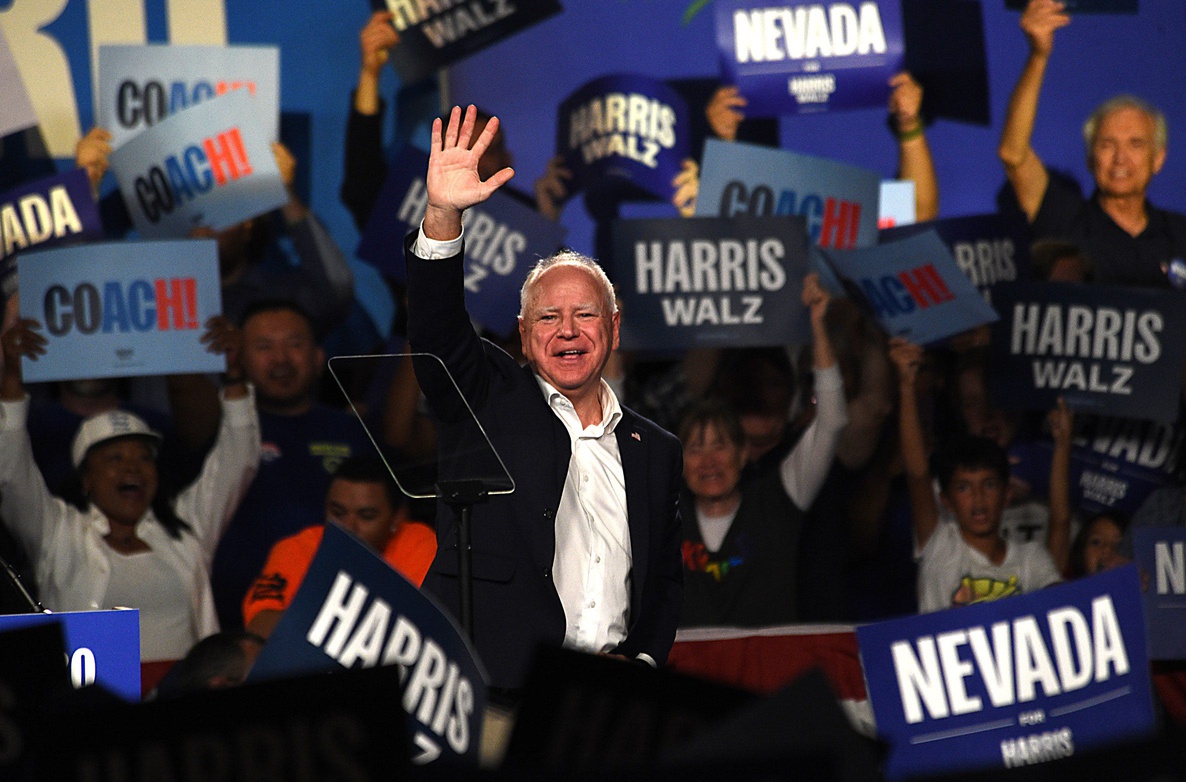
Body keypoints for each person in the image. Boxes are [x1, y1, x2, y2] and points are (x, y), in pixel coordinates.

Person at [405, 106, 683, 692]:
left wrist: (642, 666)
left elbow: (662, 585)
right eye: (548, 318)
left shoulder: (656, 450)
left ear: (612, 325)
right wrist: (442, 214)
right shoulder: (485, 399)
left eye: (584, 315)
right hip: (495, 696)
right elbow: (436, 330)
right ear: (525, 336)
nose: (567, 331)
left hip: (605, 712)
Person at [0, 317, 260, 661]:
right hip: (96, 708)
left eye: (143, 456)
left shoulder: (188, 528)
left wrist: (235, 376)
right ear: (86, 479)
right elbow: (10, 470)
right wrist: (14, 380)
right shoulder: (58, 532)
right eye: (114, 457)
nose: (131, 467)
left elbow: (237, 458)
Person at [677, 273, 846, 627]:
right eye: (695, 448)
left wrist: (816, 323)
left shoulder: (779, 499)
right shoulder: (664, 517)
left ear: (742, 454)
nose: (708, 462)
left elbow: (831, 421)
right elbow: (609, 436)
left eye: (720, 446)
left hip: (770, 676)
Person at [209, 300, 372, 631]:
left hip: (342, 616)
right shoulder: (220, 430)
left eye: (294, 344)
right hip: (239, 625)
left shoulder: (355, 433)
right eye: (264, 347)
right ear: (238, 358)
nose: (281, 358)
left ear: (318, 358)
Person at [998, 0, 1186, 288]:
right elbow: (1014, 154)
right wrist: (1038, 56)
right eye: (1107, 145)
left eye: (1136, 144)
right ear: (1090, 157)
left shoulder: (1180, 234)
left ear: (1158, 158)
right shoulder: (1065, 222)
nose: (1120, 158)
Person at [890, 338, 1061, 612]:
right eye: (964, 488)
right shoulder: (941, 546)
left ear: (1006, 494)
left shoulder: (1031, 560)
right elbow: (917, 474)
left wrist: (1122, 587)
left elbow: (1066, 606)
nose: (978, 498)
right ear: (945, 499)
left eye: (989, 485)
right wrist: (906, 386)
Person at [241, 455, 436, 639]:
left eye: (366, 516)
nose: (349, 527)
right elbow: (260, 623)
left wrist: (309, 625)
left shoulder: (417, 542)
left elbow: (415, 628)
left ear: (397, 518)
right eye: (338, 513)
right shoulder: (298, 547)